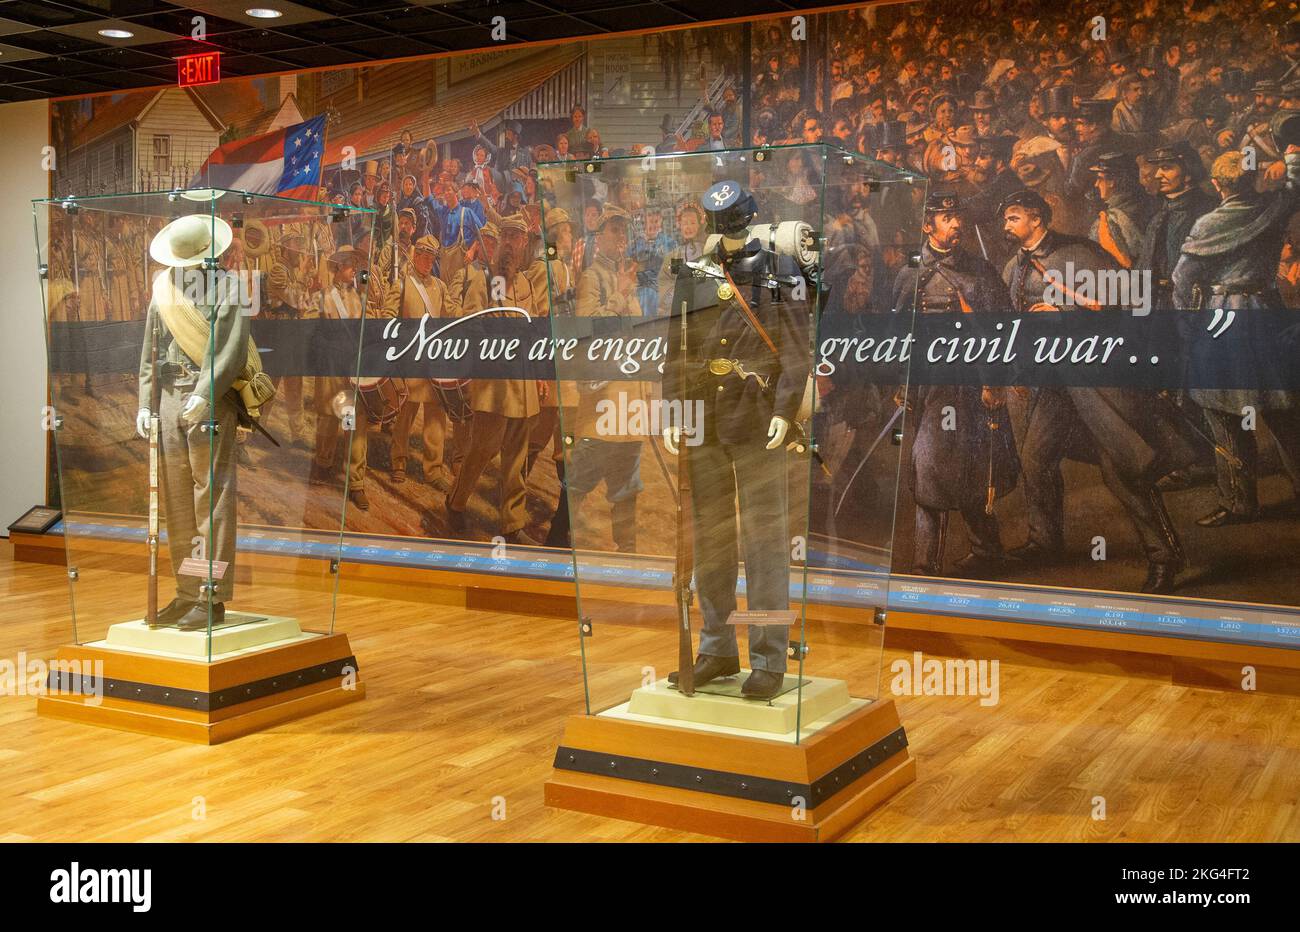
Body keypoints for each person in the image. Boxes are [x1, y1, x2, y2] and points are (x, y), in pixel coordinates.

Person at [1000, 189, 1192, 593]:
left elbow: (1131, 303)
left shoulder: (1080, 255)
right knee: (1034, 458)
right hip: (1047, 383)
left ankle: (1163, 556)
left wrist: (1064, 314)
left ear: (1036, 217)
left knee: (1120, 470)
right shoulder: (1012, 267)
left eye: (1013, 217)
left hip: (1096, 384)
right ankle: (1044, 541)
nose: (1006, 225)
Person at [663, 181, 812, 700]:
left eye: (737, 223)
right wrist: (675, 408)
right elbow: (676, 348)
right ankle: (717, 648)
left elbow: (796, 349)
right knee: (711, 539)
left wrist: (784, 410)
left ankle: (770, 657)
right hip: (703, 422)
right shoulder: (693, 274)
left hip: (757, 420)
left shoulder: (779, 271)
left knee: (765, 542)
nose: (731, 232)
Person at [1174, 149, 1300, 527]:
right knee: (1285, 413)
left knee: (1224, 415)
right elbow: (1294, 182)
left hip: (1223, 320)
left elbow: (1182, 280)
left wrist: (1185, 329)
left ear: (1217, 185)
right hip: (1267, 315)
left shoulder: (1208, 223)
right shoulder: (1274, 207)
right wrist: (1291, 157)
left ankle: (1240, 502)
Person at [893, 193, 1018, 576]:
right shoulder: (910, 273)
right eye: (946, 217)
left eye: (957, 216)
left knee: (973, 469)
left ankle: (987, 549)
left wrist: (994, 382)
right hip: (930, 387)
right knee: (929, 466)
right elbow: (897, 333)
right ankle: (925, 562)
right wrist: (903, 384)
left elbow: (1003, 330)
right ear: (927, 226)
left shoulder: (981, 270)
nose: (956, 224)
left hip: (971, 386)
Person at [135, 213, 246, 630]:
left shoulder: (226, 288)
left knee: (211, 501)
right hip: (168, 400)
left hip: (207, 403)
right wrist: (146, 403)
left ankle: (211, 594)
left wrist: (204, 393)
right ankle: (187, 591)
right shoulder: (163, 288)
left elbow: (229, 351)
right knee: (179, 501)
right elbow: (150, 350)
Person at [445, 216, 541, 544]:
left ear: (524, 244)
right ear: (499, 240)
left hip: (523, 384)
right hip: (493, 383)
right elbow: (470, 324)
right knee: (482, 450)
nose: (511, 243)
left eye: (517, 237)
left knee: (516, 455)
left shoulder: (527, 284)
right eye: (507, 236)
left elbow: (537, 330)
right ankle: (455, 503)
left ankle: (511, 523)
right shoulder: (482, 279)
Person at [385, 235, 456, 492]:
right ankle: (399, 462)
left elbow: (450, 318)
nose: (427, 261)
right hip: (409, 358)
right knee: (405, 414)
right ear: (415, 256)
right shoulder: (402, 283)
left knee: (436, 416)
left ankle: (433, 469)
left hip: (434, 359)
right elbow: (388, 318)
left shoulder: (440, 286)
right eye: (423, 256)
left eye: (431, 258)